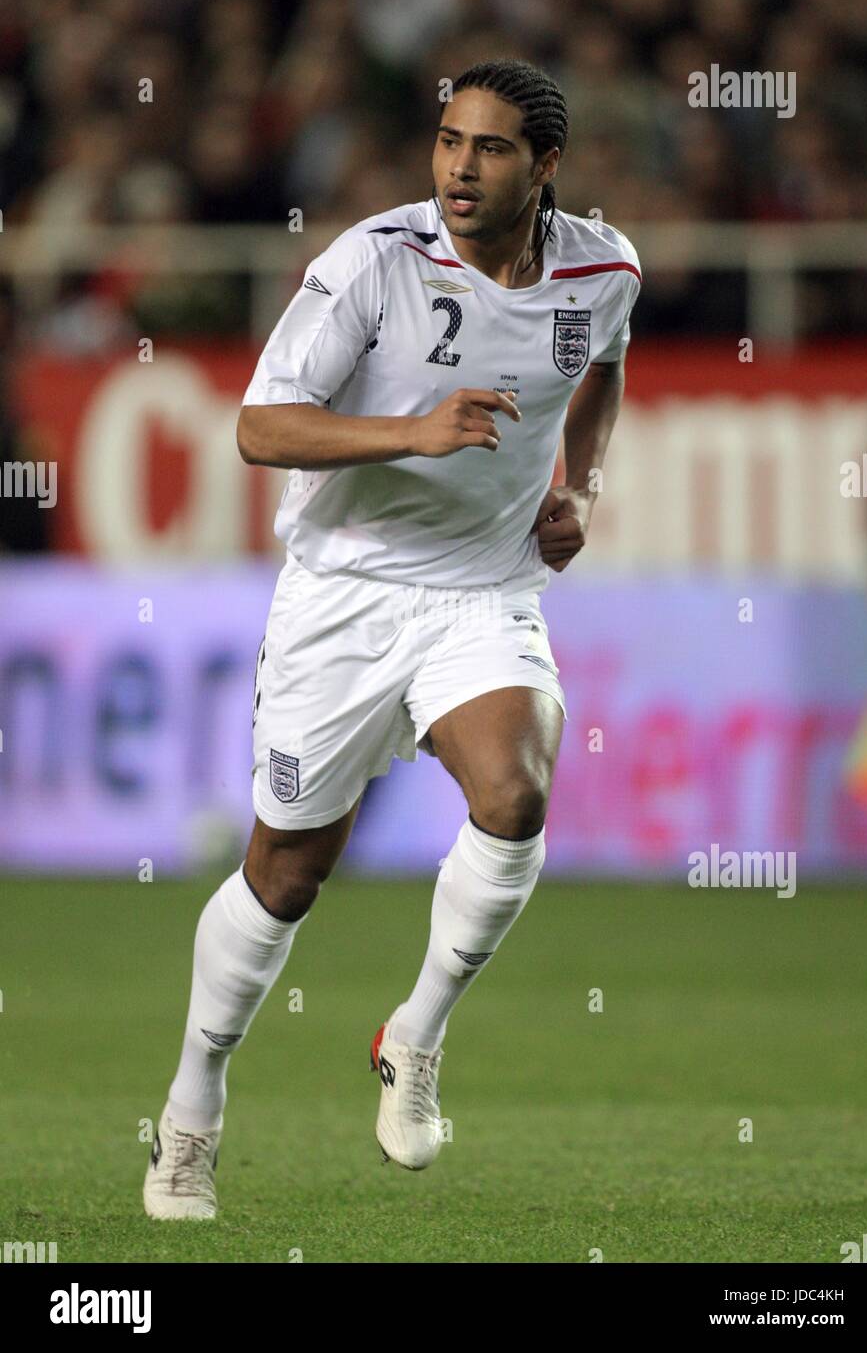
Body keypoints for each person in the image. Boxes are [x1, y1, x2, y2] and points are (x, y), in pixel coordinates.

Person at [144, 59, 641, 1218]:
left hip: (484, 589)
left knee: (515, 795)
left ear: (547, 166)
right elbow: (259, 428)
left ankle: (413, 1034)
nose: (462, 166)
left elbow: (603, 373)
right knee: (286, 873)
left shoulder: (605, 268)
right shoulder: (373, 261)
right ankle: (191, 1106)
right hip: (344, 596)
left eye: (494, 148)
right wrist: (412, 433)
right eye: (449, 142)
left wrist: (585, 488)